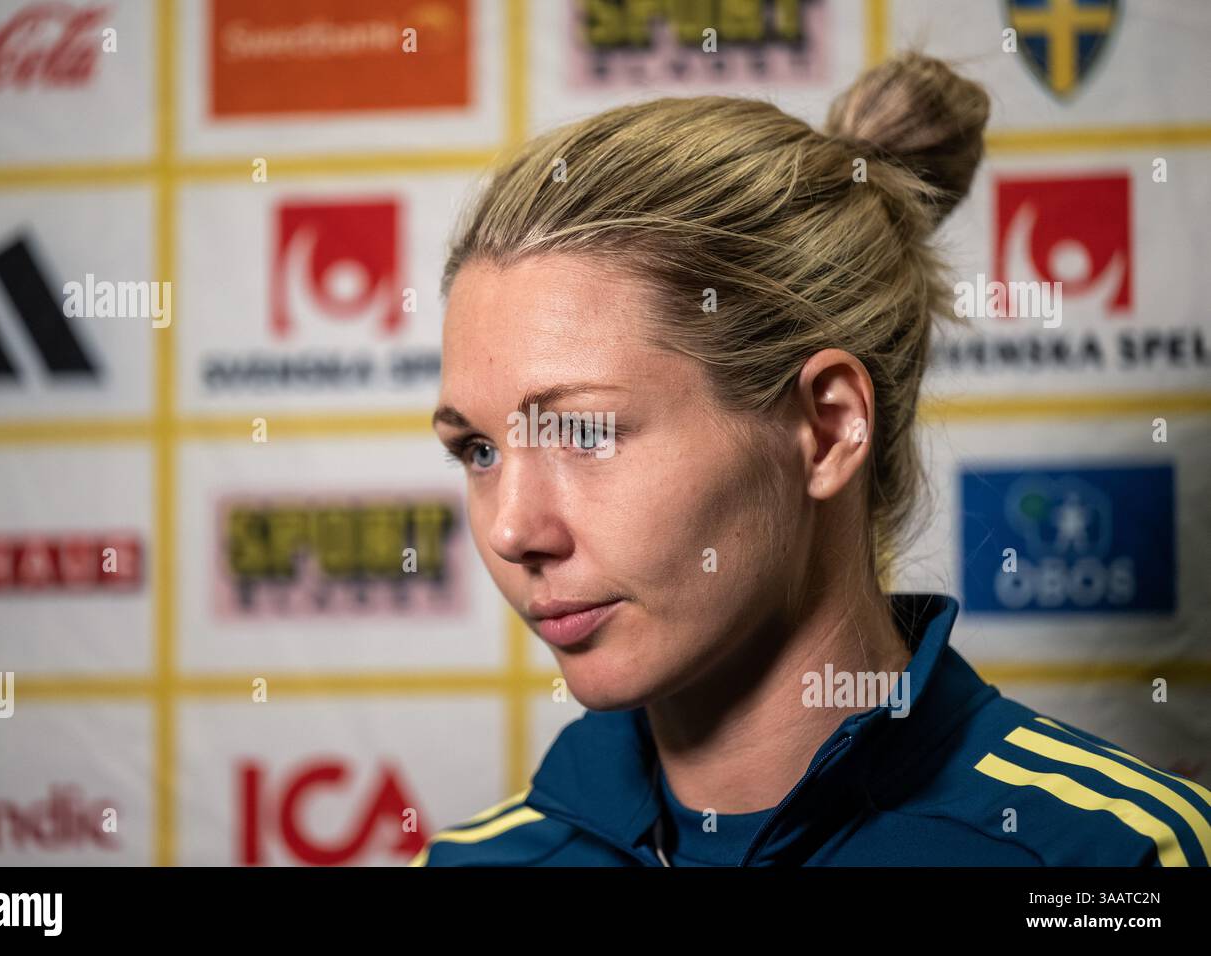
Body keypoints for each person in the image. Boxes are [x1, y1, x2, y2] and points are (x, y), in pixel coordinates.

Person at [411, 52, 1211, 866]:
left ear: (828, 431)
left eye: (581, 433)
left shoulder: (1118, 859)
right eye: (477, 449)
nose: (510, 530)